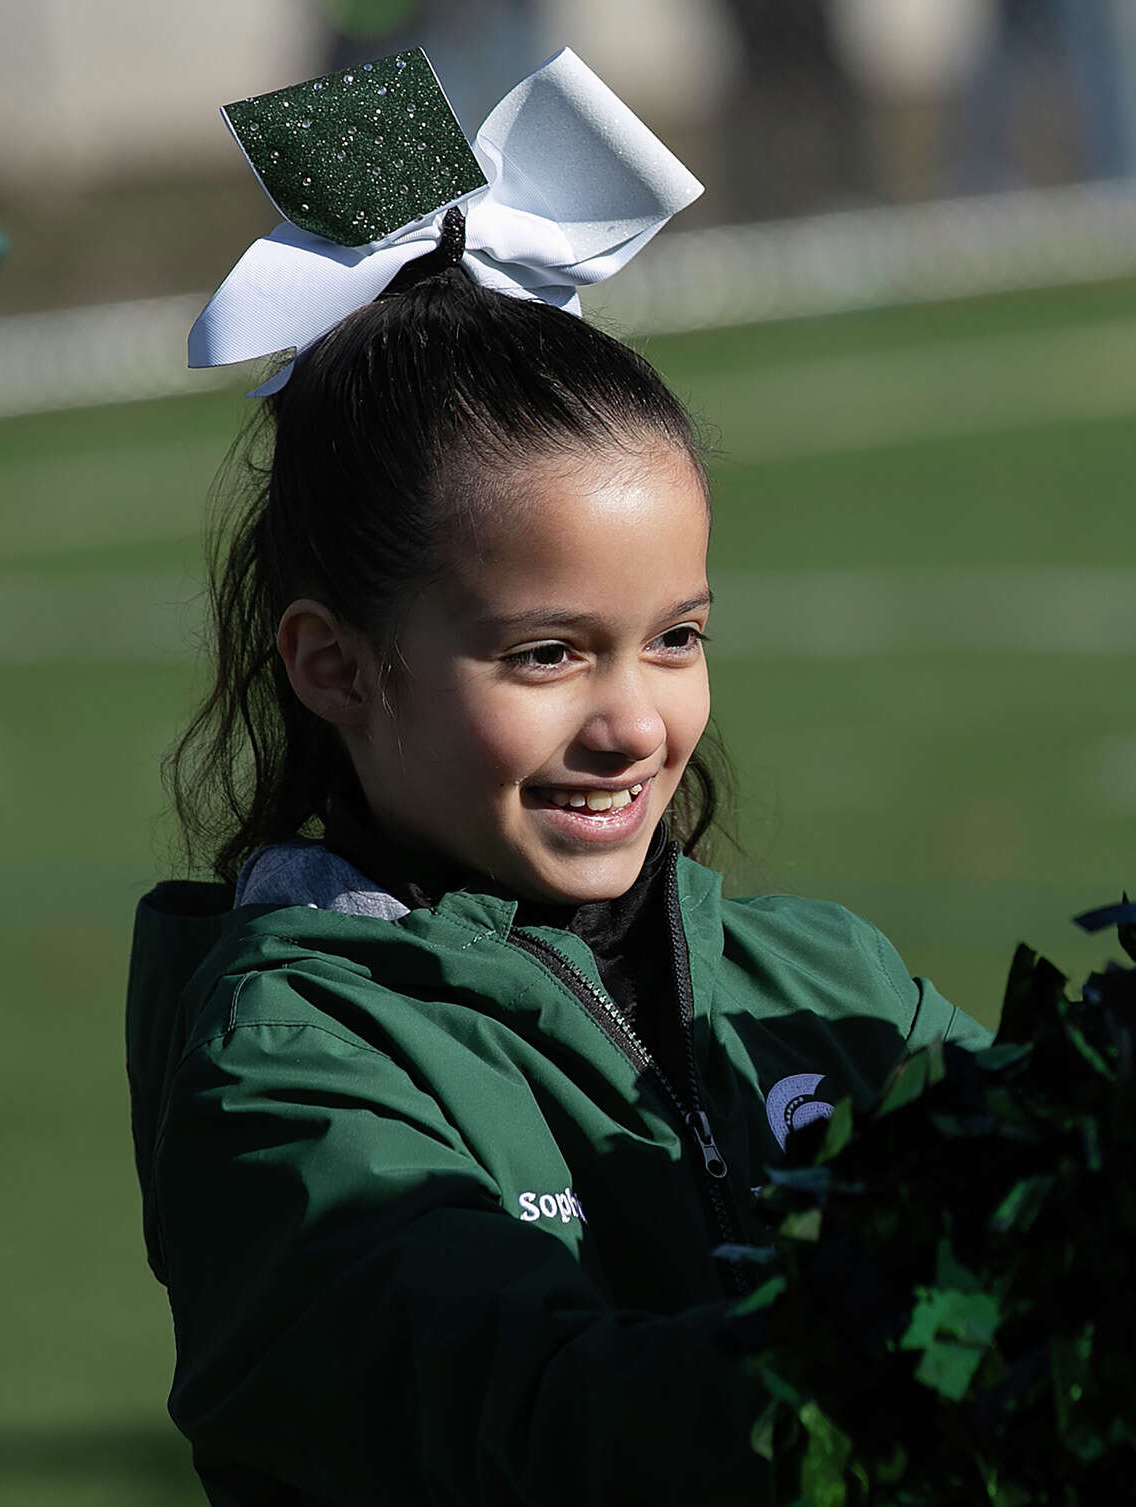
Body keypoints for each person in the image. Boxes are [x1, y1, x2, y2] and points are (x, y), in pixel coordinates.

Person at [127, 47, 989, 1507]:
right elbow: (542, 1427)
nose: (635, 724)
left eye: (677, 640)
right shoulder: (289, 1063)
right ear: (335, 665)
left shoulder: (826, 980)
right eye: (545, 656)